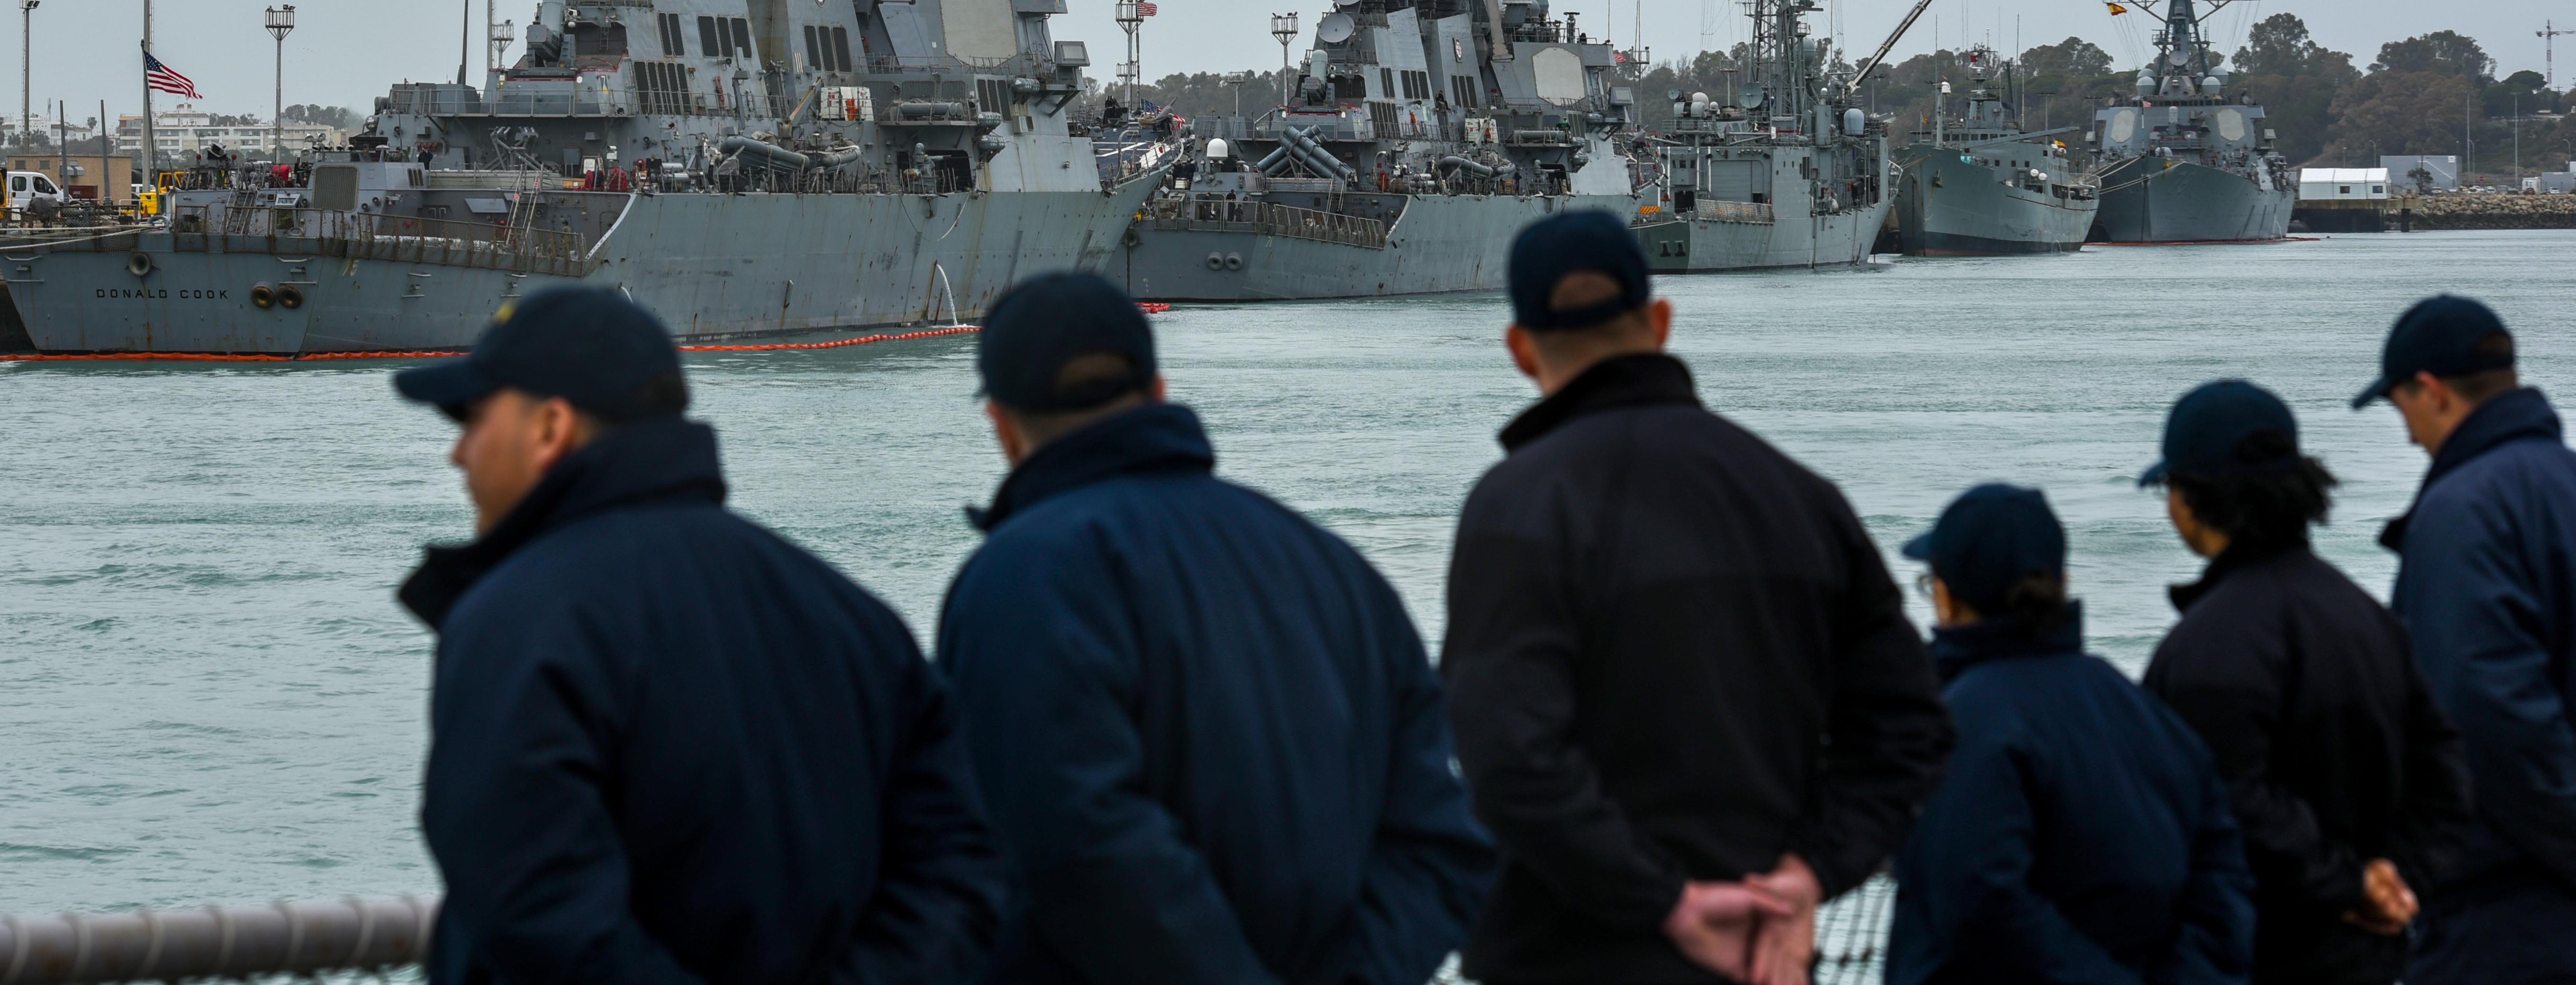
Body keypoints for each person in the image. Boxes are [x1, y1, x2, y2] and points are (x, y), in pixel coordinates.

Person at [394, 288, 1001, 985]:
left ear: (549, 428)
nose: (458, 453)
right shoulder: (851, 618)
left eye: (471, 417)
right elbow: (960, 865)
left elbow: (533, 908)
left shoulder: (515, 621)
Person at [937, 272, 1496, 984]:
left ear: (1003, 424)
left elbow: (1075, 843)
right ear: (1159, 392)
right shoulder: (1335, 570)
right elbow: (1443, 843)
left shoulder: (1016, 579)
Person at [1441, 211, 1952, 985]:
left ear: (1518, 348)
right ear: (1659, 321)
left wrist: (1668, 902)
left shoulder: (1518, 505)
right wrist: (1809, 873)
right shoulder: (1803, 499)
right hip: (1764, 955)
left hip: (1571, 955)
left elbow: (1509, 757)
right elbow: (1910, 729)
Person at [2140, 380, 2472, 985]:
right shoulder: (2369, 619)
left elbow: (2230, 798)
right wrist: (2397, 879)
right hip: (2372, 958)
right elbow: (2445, 772)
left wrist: (2344, 883)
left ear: (2190, 498)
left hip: (2256, 956)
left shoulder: (2204, 645)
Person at [1888, 484, 2256, 985]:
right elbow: (2220, 870)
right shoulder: (2140, 708)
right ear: (2062, 581)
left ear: (1947, 597)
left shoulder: (1960, 723)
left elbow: (1982, 905)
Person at [2361, 293, 2576, 982]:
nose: (2409, 437)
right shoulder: (2563, 483)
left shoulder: (2462, 511)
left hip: (2507, 907)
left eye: (2400, 411)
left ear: (2430, 390)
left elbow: (2487, 714)